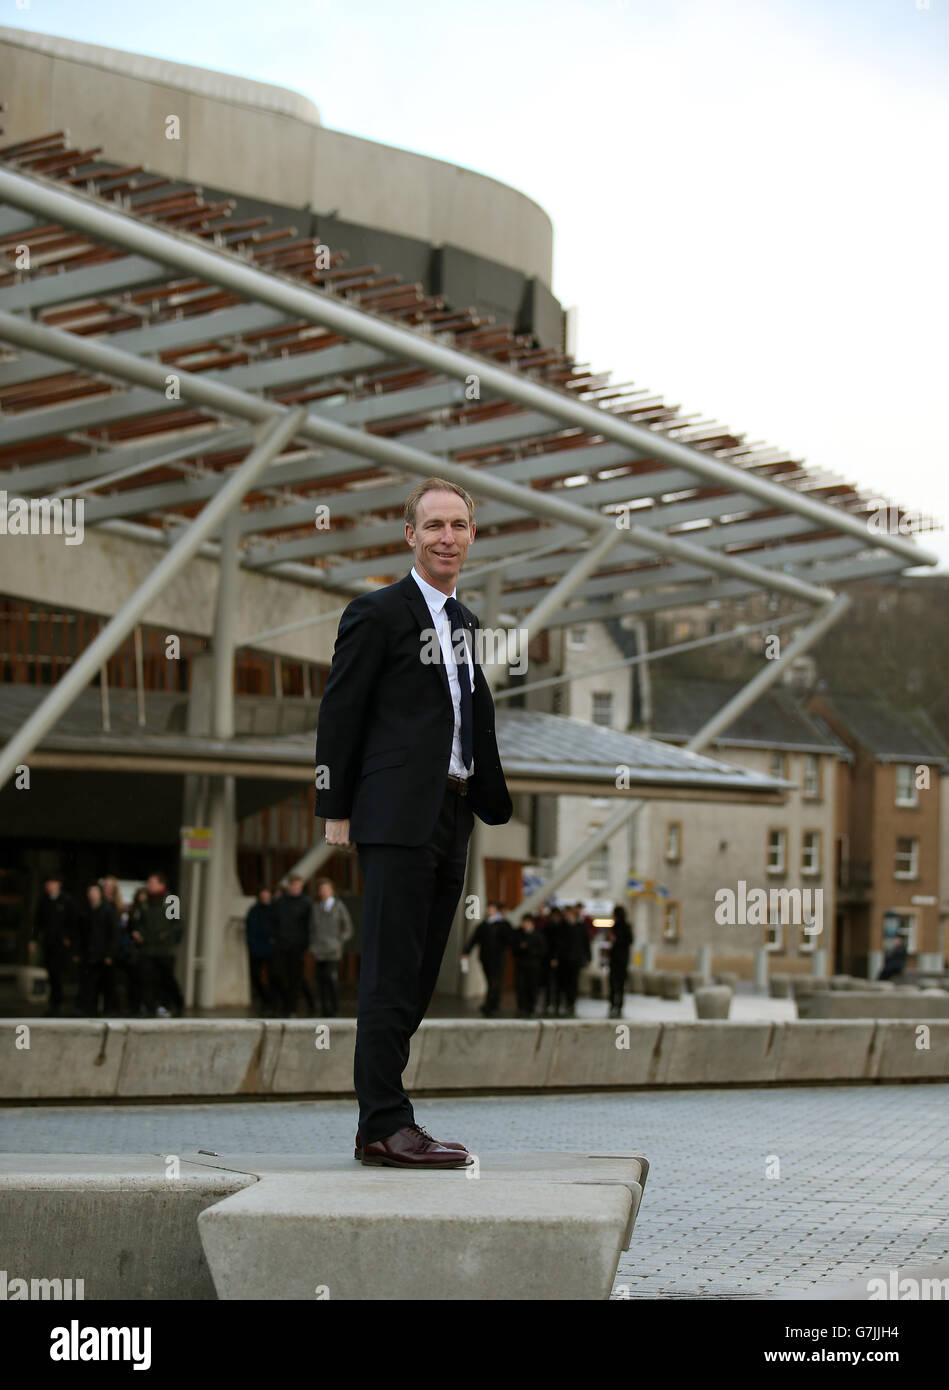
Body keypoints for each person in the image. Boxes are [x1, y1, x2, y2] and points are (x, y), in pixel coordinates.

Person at [314, 476, 512, 1169]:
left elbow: (464, 714)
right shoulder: (376, 613)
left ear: (471, 536)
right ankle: (383, 1125)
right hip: (395, 815)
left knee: (424, 970)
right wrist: (334, 807)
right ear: (409, 535)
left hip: (452, 811)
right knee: (389, 974)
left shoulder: (465, 625)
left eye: (458, 526)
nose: (446, 537)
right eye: (433, 526)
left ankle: (389, 1116)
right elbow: (340, 713)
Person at [131, 872, 183, 1017]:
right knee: (147, 979)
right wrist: (139, 933)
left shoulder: (170, 901)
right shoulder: (145, 902)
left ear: (161, 884)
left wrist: (166, 938)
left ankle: (172, 1004)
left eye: (152, 883)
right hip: (148, 949)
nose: (149, 886)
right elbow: (139, 921)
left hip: (165, 950)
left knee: (166, 979)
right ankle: (151, 1007)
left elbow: (176, 926)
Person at [31, 874, 78, 1017]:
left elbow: (73, 922)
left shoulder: (66, 901)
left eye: (52, 883)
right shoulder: (44, 901)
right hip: (48, 942)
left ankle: (58, 1003)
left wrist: (68, 938)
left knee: (58, 973)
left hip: (61, 945)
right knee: (51, 973)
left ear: (58, 884)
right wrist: (33, 939)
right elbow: (37, 921)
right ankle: (53, 1004)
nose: (49, 886)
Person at [308, 878, 353, 1016]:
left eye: (326, 888)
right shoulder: (316, 907)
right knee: (320, 980)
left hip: (333, 950)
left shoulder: (339, 907)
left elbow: (348, 928)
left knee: (330, 977)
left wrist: (339, 941)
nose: (323, 891)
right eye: (321, 889)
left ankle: (334, 1008)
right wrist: (313, 945)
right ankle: (324, 1008)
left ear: (332, 890)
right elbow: (312, 928)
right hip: (319, 950)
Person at [270, 875, 313, 1016]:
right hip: (280, 944)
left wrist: (306, 943)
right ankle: (284, 1002)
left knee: (295, 977)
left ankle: (291, 1008)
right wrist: (274, 938)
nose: (295, 888)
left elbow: (310, 925)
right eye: (293, 885)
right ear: (288, 886)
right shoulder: (279, 902)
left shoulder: (307, 903)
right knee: (276, 974)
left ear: (301, 886)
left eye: (298, 885)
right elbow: (273, 921)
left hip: (298, 946)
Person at [461, 901, 512, 1017]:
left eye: (492, 908)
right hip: (485, 958)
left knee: (495, 982)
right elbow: (473, 939)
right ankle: (490, 1004)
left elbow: (510, 939)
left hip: (498, 959)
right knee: (490, 981)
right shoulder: (483, 925)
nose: (489, 910)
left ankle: (492, 1005)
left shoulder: (503, 925)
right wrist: (466, 952)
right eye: (488, 908)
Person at [78, 882, 120, 1016]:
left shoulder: (107, 910)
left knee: (106, 985)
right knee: (90, 985)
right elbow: (81, 933)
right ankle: (90, 1010)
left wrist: (110, 954)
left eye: (95, 892)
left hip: (103, 954)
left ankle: (108, 1010)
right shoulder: (86, 911)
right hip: (90, 954)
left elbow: (114, 933)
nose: (92, 895)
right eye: (90, 892)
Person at [553, 905, 591, 1017]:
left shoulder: (580, 927)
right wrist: (555, 957)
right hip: (563, 959)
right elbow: (557, 944)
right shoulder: (561, 927)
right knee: (561, 983)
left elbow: (585, 943)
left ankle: (571, 1004)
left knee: (573, 983)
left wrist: (588, 957)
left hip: (575, 960)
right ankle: (559, 1004)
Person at [510, 913, 546, 1018]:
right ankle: (521, 1008)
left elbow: (543, 950)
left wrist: (529, 949)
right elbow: (513, 948)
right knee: (520, 987)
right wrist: (520, 948)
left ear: (531, 923)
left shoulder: (538, 935)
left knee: (532, 987)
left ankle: (531, 1008)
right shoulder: (518, 934)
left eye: (526, 922)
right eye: (523, 922)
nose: (524, 925)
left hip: (533, 966)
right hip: (521, 965)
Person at [245, 888, 274, 1015]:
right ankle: (266, 1001)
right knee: (255, 976)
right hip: (256, 948)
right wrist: (251, 942)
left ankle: (272, 1004)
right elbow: (249, 928)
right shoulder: (254, 910)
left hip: (272, 948)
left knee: (274, 977)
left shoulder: (274, 910)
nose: (265, 898)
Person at [607, 903, 633, 1018]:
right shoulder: (616, 926)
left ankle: (617, 1005)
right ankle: (614, 1005)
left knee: (618, 984)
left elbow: (629, 940)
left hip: (620, 959)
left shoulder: (624, 927)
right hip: (617, 959)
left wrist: (616, 940)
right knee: (615, 984)